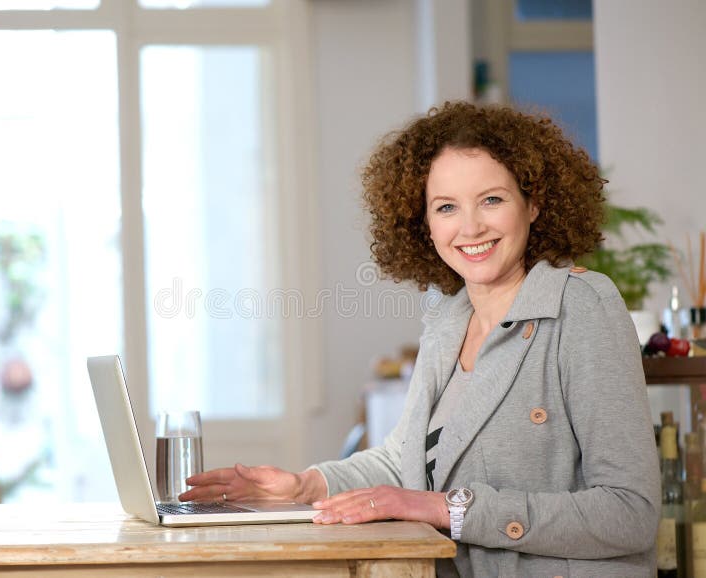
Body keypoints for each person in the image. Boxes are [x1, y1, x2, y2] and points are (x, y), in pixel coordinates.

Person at [180, 101, 661, 577]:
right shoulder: (448, 322)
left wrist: (446, 509)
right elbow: (402, 462)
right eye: (447, 207)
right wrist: (306, 487)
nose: (470, 227)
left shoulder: (581, 305)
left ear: (534, 203)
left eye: (492, 199)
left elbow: (629, 513)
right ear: (424, 224)